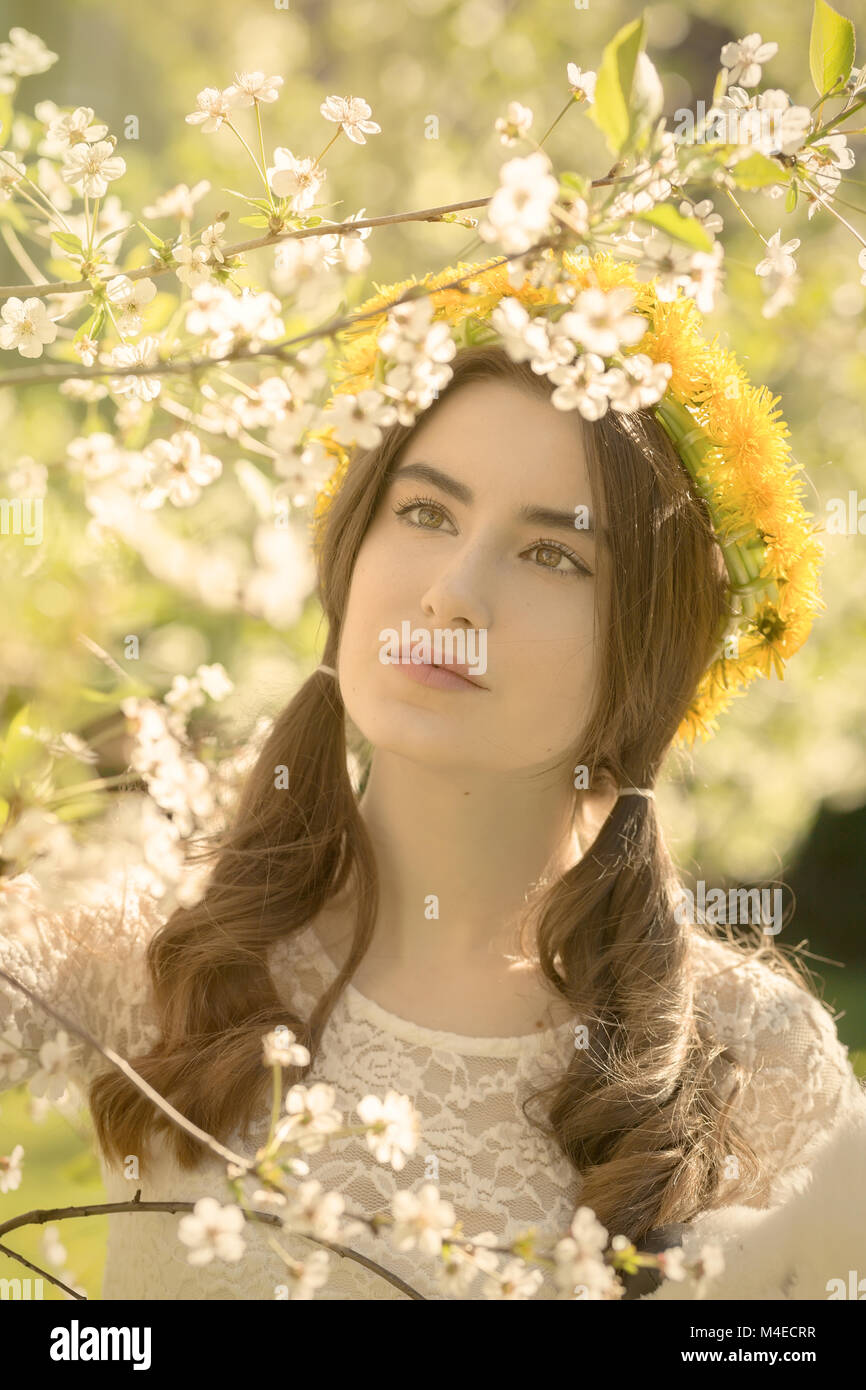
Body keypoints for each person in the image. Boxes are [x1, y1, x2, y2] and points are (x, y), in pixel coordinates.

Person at [1, 341, 864, 1302]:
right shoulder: (156, 954)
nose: (451, 593)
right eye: (425, 511)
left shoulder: (758, 1062)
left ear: (648, 656)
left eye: (553, 553)